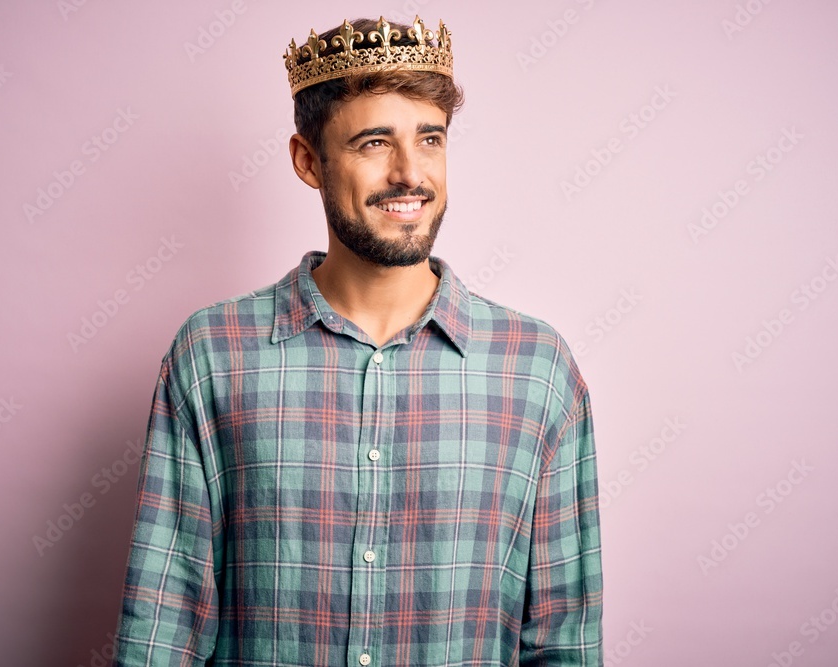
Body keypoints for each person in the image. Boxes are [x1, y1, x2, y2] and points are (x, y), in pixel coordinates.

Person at [113, 15, 603, 666]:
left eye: (430, 138)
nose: (410, 174)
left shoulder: (537, 370)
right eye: (375, 142)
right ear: (308, 161)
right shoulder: (211, 356)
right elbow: (161, 630)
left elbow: (563, 643)